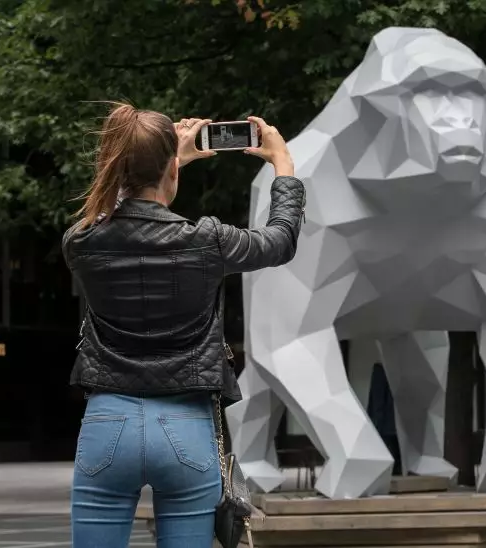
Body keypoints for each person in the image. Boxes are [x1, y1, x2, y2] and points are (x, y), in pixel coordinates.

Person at [62, 103, 305, 548]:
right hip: (186, 427)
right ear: (171, 169)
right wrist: (283, 166)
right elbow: (280, 240)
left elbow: (114, 210)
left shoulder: (81, 242)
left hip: (106, 423)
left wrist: (172, 158)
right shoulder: (208, 240)